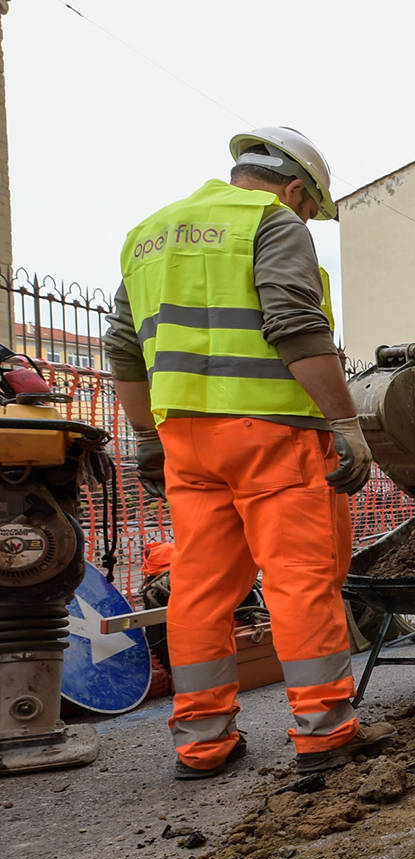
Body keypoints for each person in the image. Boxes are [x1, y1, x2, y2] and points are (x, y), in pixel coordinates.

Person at [105, 126, 390, 781]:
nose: (308, 218)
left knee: (201, 591)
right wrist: (346, 424)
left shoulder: (148, 235)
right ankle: (324, 733)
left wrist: (146, 436)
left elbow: (123, 349)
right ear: (296, 190)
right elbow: (295, 327)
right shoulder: (271, 221)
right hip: (271, 437)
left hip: (188, 444)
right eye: (312, 207)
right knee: (298, 583)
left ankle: (202, 742)